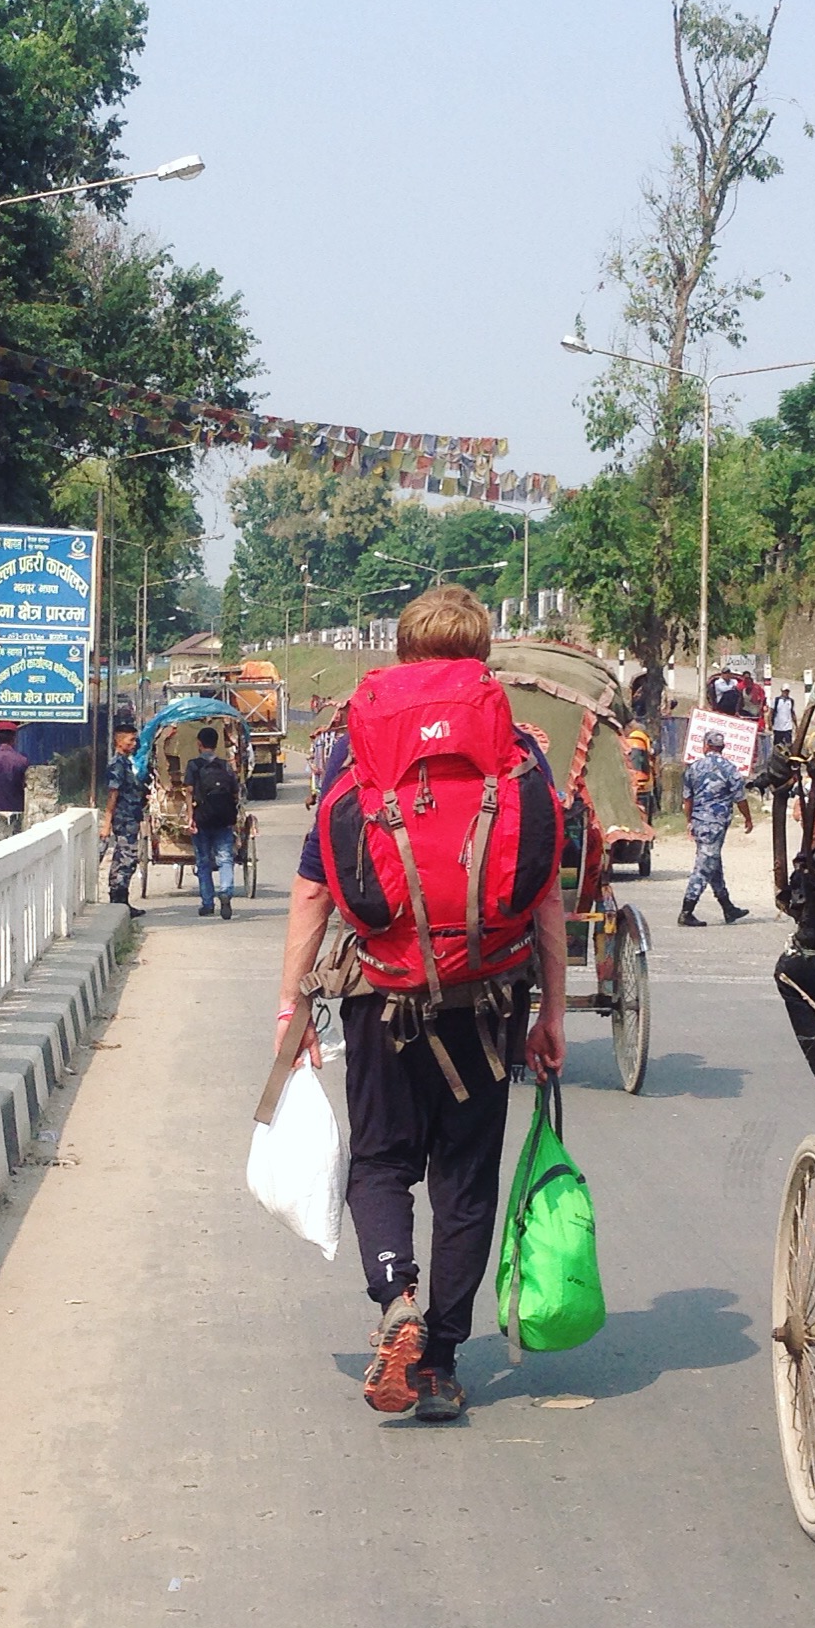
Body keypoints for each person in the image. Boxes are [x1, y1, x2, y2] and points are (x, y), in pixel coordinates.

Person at [276, 584, 566, 1424]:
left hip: (381, 991)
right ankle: (438, 1364)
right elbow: (544, 893)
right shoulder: (517, 748)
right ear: (483, 657)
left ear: (401, 652)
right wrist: (551, 1012)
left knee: (381, 1162)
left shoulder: (355, 744)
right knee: (464, 1181)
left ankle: (393, 1294)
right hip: (489, 994)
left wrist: (290, 1004)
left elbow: (313, 889)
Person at [680, 727, 753, 927]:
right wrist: (748, 819)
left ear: (706, 746)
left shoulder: (693, 768)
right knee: (704, 867)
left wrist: (689, 821)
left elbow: (687, 799)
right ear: (723, 747)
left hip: (700, 822)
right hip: (716, 824)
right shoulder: (730, 769)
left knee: (713, 863)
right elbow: (740, 798)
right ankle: (686, 911)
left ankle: (728, 907)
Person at [183, 723, 240, 918]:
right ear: (216, 744)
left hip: (202, 818)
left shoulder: (193, 765)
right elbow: (235, 792)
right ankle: (225, 891)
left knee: (203, 861)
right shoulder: (225, 765)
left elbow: (189, 792)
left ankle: (207, 903)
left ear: (199, 744)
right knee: (225, 858)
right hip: (224, 819)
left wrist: (190, 817)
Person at [99, 720, 148, 908]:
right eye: (131, 740)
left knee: (126, 858)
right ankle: (118, 900)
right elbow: (113, 795)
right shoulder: (117, 765)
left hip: (130, 817)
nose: (134, 744)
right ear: (119, 742)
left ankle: (122, 900)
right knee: (126, 859)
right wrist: (107, 824)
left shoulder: (127, 763)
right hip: (123, 818)